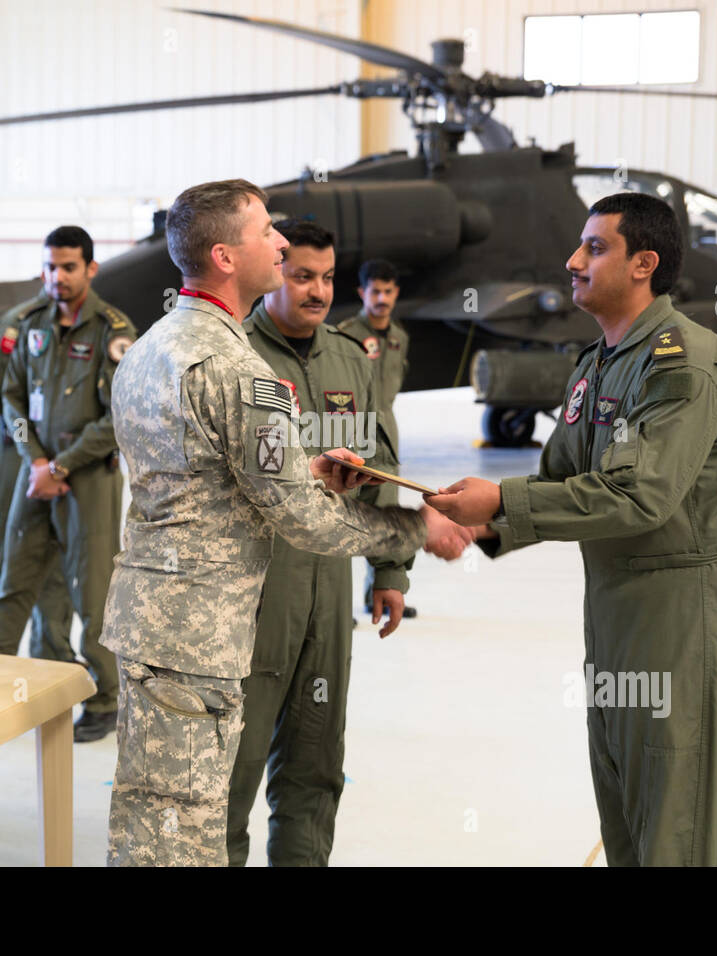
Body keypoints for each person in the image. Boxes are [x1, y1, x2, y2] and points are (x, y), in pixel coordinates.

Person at [104, 179, 458, 867]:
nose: (278, 241)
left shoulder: (149, 348)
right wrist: (415, 531)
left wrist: (309, 471)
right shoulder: (244, 372)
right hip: (205, 636)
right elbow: (301, 520)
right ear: (227, 257)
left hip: (147, 621)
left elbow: (196, 477)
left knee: (149, 819)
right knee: (196, 832)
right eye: (267, 232)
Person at [426, 192, 717, 866]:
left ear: (645, 263)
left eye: (595, 247)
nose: (573, 261)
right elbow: (556, 481)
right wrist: (470, 519)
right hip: (617, 607)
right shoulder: (598, 366)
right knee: (627, 812)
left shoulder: (683, 366)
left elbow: (642, 498)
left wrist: (503, 501)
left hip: (686, 609)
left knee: (678, 824)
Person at [226, 220, 471, 866]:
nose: (317, 290)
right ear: (274, 271)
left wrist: (391, 570)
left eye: (328, 277)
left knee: (315, 762)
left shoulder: (347, 358)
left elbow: (379, 467)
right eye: (301, 275)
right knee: (233, 775)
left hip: (328, 588)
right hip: (256, 590)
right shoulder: (236, 356)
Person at [0, 226, 136, 743]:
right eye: (49, 267)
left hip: (86, 479)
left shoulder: (114, 330)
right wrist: (35, 460)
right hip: (35, 475)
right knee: (10, 580)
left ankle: (106, 699)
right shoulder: (31, 326)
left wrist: (60, 466)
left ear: (90, 269)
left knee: (92, 595)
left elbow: (119, 418)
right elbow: (11, 400)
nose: (56, 277)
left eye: (67, 267)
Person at [0, 291, 75, 666]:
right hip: (15, 454)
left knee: (59, 564)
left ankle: (51, 661)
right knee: (5, 558)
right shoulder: (17, 324)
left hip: (65, 458)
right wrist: (7, 449)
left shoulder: (92, 324)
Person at [337, 260, 415, 618]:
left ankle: (379, 591)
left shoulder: (399, 338)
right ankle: (335, 603)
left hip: (387, 433)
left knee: (384, 513)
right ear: (362, 293)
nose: (382, 299)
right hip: (351, 432)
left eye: (388, 291)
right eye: (375, 291)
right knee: (341, 511)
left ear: (396, 293)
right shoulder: (345, 334)